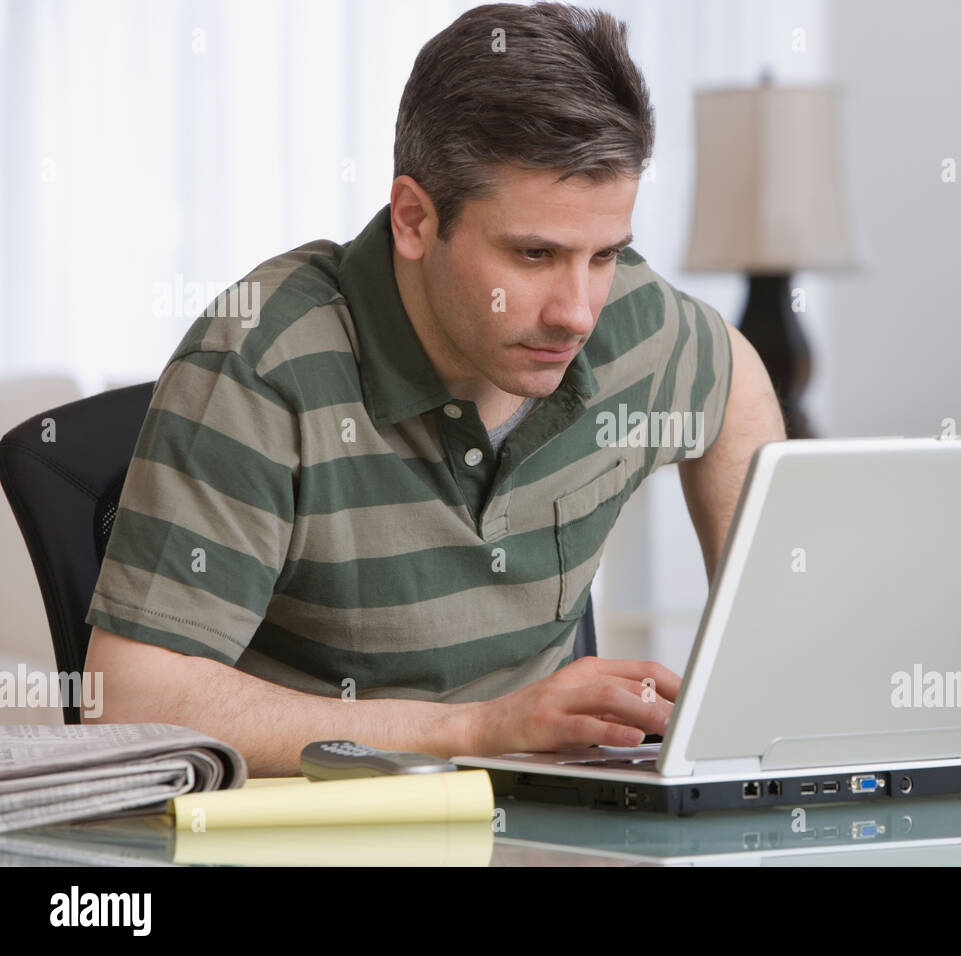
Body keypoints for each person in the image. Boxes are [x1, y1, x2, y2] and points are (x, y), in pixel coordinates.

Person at [83, 2, 785, 776]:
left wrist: (757, 683)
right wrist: (481, 729)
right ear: (415, 218)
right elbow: (129, 703)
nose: (576, 312)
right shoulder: (264, 360)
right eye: (533, 254)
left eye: (604, 254)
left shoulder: (632, 325)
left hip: (546, 839)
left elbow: (735, 381)